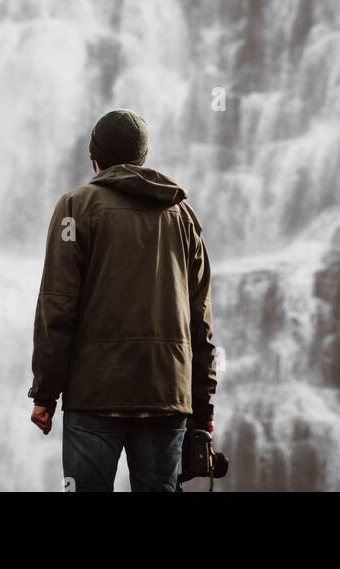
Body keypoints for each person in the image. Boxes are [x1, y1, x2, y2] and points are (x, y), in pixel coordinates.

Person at [27, 107, 217, 492]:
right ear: (142, 159)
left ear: (94, 159)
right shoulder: (182, 215)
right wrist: (203, 404)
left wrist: (45, 393)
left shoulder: (74, 208)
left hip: (95, 392)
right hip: (167, 392)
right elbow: (201, 318)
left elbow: (57, 305)